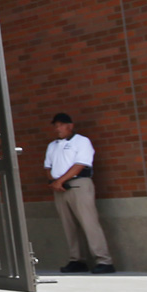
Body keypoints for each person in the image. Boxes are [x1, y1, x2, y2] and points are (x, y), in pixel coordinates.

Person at [46, 113, 115, 273]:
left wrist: (60, 180)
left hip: (78, 185)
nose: (57, 129)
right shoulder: (53, 145)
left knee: (89, 222)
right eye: (55, 126)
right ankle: (77, 259)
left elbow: (80, 165)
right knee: (69, 226)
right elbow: (48, 167)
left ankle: (104, 260)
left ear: (70, 126)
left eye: (60, 125)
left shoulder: (82, 141)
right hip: (59, 188)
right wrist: (54, 182)